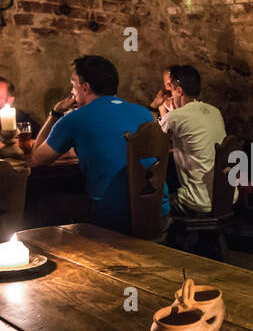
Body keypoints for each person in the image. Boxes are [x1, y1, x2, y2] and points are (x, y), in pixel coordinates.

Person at [30, 54, 168, 233]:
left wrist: (54, 114)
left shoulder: (74, 119)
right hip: (157, 213)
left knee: (44, 205)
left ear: (85, 87)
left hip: (113, 220)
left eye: (73, 84)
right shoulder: (145, 113)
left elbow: (37, 158)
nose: (72, 91)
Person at [152, 64, 231, 215]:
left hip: (196, 201)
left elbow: (153, 141)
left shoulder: (176, 117)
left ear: (179, 91)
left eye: (172, 90)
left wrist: (158, 108)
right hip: (225, 198)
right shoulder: (215, 111)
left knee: (153, 201)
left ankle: (160, 237)